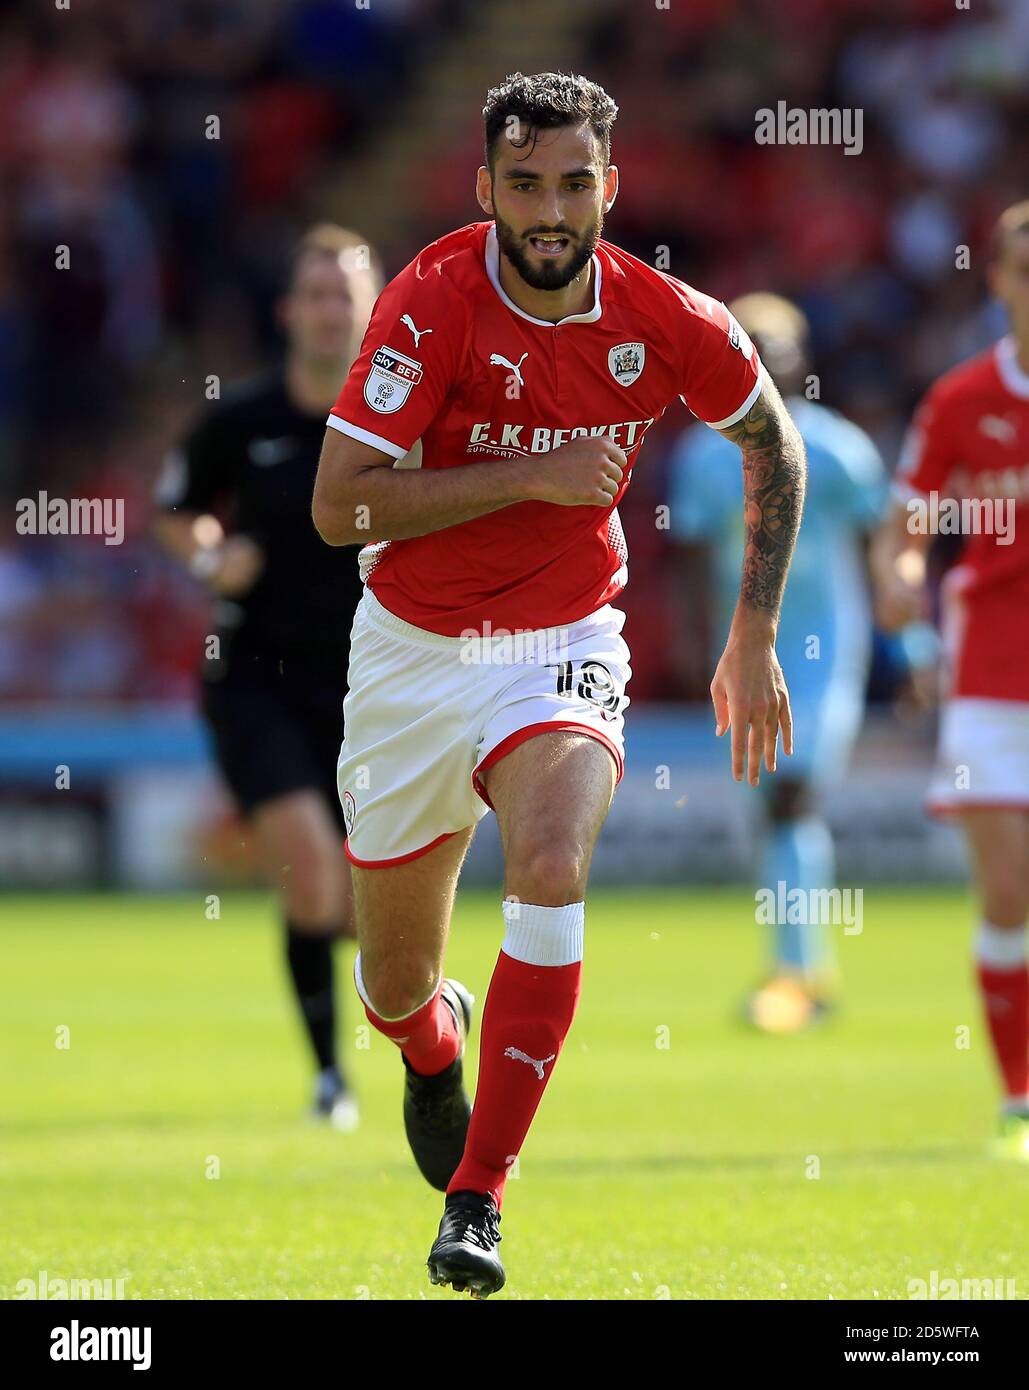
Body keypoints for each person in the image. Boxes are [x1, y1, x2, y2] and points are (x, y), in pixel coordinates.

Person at [312, 72, 805, 1296]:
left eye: (573, 183)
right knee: (390, 986)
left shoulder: (666, 316)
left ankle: (477, 1199)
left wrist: (753, 628)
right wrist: (530, 476)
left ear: (609, 188)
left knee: (548, 865)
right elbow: (337, 507)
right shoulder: (429, 301)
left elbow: (770, 439)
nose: (550, 209)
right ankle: (434, 1047)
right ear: (484, 189)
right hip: (412, 654)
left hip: (564, 638)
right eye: (523, 184)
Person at [154, 224, 384, 1131]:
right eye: (316, 293)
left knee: (376, 910)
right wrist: (211, 560)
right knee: (312, 878)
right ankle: (330, 1078)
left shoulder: (397, 421)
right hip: (255, 680)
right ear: (289, 310)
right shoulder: (240, 421)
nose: (331, 309)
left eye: (346, 293)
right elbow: (176, 511)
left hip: (374, 687)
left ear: (373, 309)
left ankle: (422, 1042)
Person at [668, 293, 887, 1032]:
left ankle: (791, 975)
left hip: (826, 648)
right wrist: (701, 648)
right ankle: (806, 971)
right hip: (744, 653)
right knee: (772, 808)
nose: (764, 354)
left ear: (802, 356)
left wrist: (908, 644)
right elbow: (695, 563)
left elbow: (878, 551)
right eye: (749, 341)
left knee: (791, 793)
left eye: (777, 342)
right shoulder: (701, 454)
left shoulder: (837, 449)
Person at [872, 199, 1029, 1161]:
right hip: (988, 675)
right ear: (1001, 280)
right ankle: (1019, 1096)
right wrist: (899, 586)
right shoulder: (961, 399)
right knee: (1007, 893)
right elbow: (908, 532)